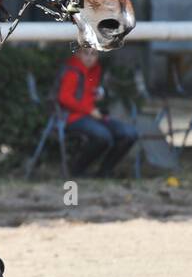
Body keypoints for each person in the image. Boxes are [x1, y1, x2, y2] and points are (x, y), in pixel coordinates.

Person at [57, 47, 137, 178]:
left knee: (130, 134)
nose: (89, 57)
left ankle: (104, 171)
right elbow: (64, 97)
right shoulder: (72, 70)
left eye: (93, 54)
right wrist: (90, 110)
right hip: (72, 117)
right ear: (78, 54)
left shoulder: (95, 70)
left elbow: (86, 93)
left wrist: (98, 94)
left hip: (94, 116)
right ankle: (77, 170)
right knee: (103, 137)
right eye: (85, 53)